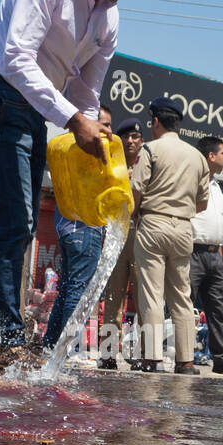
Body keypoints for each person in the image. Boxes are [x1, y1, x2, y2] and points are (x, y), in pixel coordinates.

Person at [0, 0, 167, 362]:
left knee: (19, 224)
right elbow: (16, 57)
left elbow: (87, 94)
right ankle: (0, 335)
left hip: (37, 113)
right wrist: (75, 121)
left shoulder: (108, 18)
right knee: (16, 222)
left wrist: (91, 132)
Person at [130, 96, 210, 374]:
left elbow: (136, 190)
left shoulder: (149, 150)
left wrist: (136, 213)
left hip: (153, 223)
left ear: (155, 122)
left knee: (152, 294)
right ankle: (186, 361)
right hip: (184, 228)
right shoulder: (198, 156)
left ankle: (153, 359)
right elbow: (203, 203)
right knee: (182, 296)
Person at [42, 106, 113, 349]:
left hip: (66, 226)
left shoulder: (66, 146)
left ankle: (51, 346)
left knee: (67, 289)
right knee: (78, 291)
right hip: (86, 225)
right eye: (104, 124)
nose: (108, 130)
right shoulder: (91, 152)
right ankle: (66, 351)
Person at [189, 135, 223, 377]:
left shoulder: (218, 187)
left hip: (214, 255)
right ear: (211, 156)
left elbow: (216, 224)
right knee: (185, 308)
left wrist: (219, 255)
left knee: (218, 311)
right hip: (192, 251)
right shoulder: (191, 180)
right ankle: (184, 358)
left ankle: (221, 360)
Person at [98, 114, 143, 369]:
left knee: (143, 301)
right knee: (113, 299)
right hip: (116, 234)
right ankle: (107, 355)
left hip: (141, 236)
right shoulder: (111, 164)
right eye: (125, 136)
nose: (129, 141)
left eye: (135, 137)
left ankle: (141, 356)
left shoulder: (148, 166)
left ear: (142, 140)